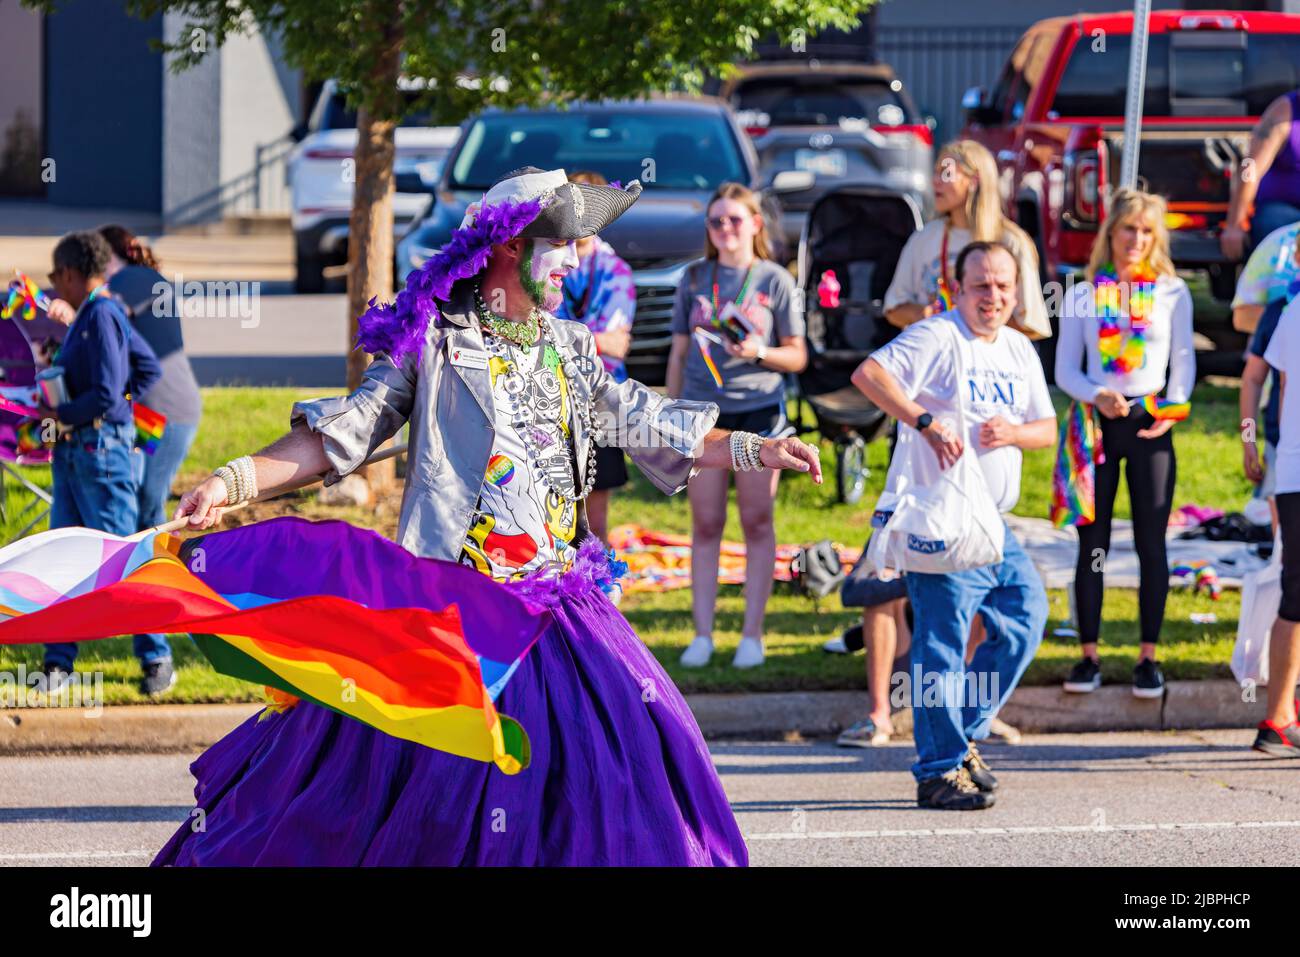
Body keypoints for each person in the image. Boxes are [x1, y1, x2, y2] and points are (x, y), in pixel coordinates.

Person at [158, 167, 823, 865]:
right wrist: (232, 481)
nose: (577, 258)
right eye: (562, 242)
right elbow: (339, 435)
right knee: (429, 806)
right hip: (458, 618)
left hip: (560, 615)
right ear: (509, 248)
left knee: (612, 791)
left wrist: (753, 447)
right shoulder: (437, 345)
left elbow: (646, 420)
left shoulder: (570, 346)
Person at [851, 241, 1055, 810]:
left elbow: (1046, 427)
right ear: (958, 288)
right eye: (981, 285)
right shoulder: (937, 336)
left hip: (993, 525)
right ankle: (938, 769)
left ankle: (957, 736)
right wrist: (926, 421)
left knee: (1024, 617)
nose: (993, 296)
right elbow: (869, 374)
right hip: (941, 520)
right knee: (939, 644)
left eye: (1003, 286)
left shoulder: (1017, 347)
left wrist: (1012, 433)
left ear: (1017, 292)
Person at [1055, 189, 1195, 699]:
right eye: (1127, 229)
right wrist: (1098, 394)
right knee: (1093, 543)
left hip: (1150, 423)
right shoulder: (1084, 293)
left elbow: (1183, 360)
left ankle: (1148, 656)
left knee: (1150, 541)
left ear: (1155, 238)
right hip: (1099, 423)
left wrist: (1171, 408)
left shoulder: (1172, 293)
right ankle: (1089, 654)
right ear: (1110, 233)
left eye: (1145, 231)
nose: (1135, 240)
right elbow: (1066, 368)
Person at [667, 182, 808, 670]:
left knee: (756, 520)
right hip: (701, 414)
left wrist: (760, 353)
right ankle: (702, 634)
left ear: (755, 225)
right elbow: (680, 350)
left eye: (733, 219)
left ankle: (752, 634)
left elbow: (798, 355)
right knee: (705, 523)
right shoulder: (693, 277)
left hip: (759, 412)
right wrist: (669, 410)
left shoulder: (774, 281)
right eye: (715, 221)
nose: (724, 229)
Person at [37, 231, 169, 695]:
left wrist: (66, 413)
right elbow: (143, 370)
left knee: (122, 561)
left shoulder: (103, 314)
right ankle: (58, 661)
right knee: (62, 561)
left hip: (99, 454)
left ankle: (156, 656)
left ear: (71, 273)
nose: (53, 286)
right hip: (75, 454)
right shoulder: (90, 316)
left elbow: (109, 394)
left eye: (55, 277)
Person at [884, 139, 1051, 342]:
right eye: (935, 172)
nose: (935, 181)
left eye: (946, 173)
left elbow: (1032, 326)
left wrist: (978, 321)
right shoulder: (924, 238)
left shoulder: (1010, 242)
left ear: (974, 181)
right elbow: (894, 309)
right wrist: (928, 315)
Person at [552, 171, 635, 545]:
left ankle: (597, 591)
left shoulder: (615, 270)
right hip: (552, 395)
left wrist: (558, 334)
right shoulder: (549, 263)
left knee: (594, 522)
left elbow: (617, 346)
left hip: (600, 398)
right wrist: (595, 337)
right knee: (556, 514)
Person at [1233, 221, 1300, 530]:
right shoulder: (1278, 313)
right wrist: (1249, 440)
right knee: (1285, 544)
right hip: (1282, 444)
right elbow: (1252, 380)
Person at [1256, 296, 1300, 756]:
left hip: (1292, 470)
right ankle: (1278, 717)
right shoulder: (1291, 310)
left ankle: (1279, 717)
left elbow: (1284, 390)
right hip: (1294, 471)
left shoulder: (1292, 310)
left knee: (1295, 593)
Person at [1221, 88, 1300, 260]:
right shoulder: (1284, 110)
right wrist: (1234, 224)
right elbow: (1250, 169)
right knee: (1273, 225)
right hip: (1282, 208)